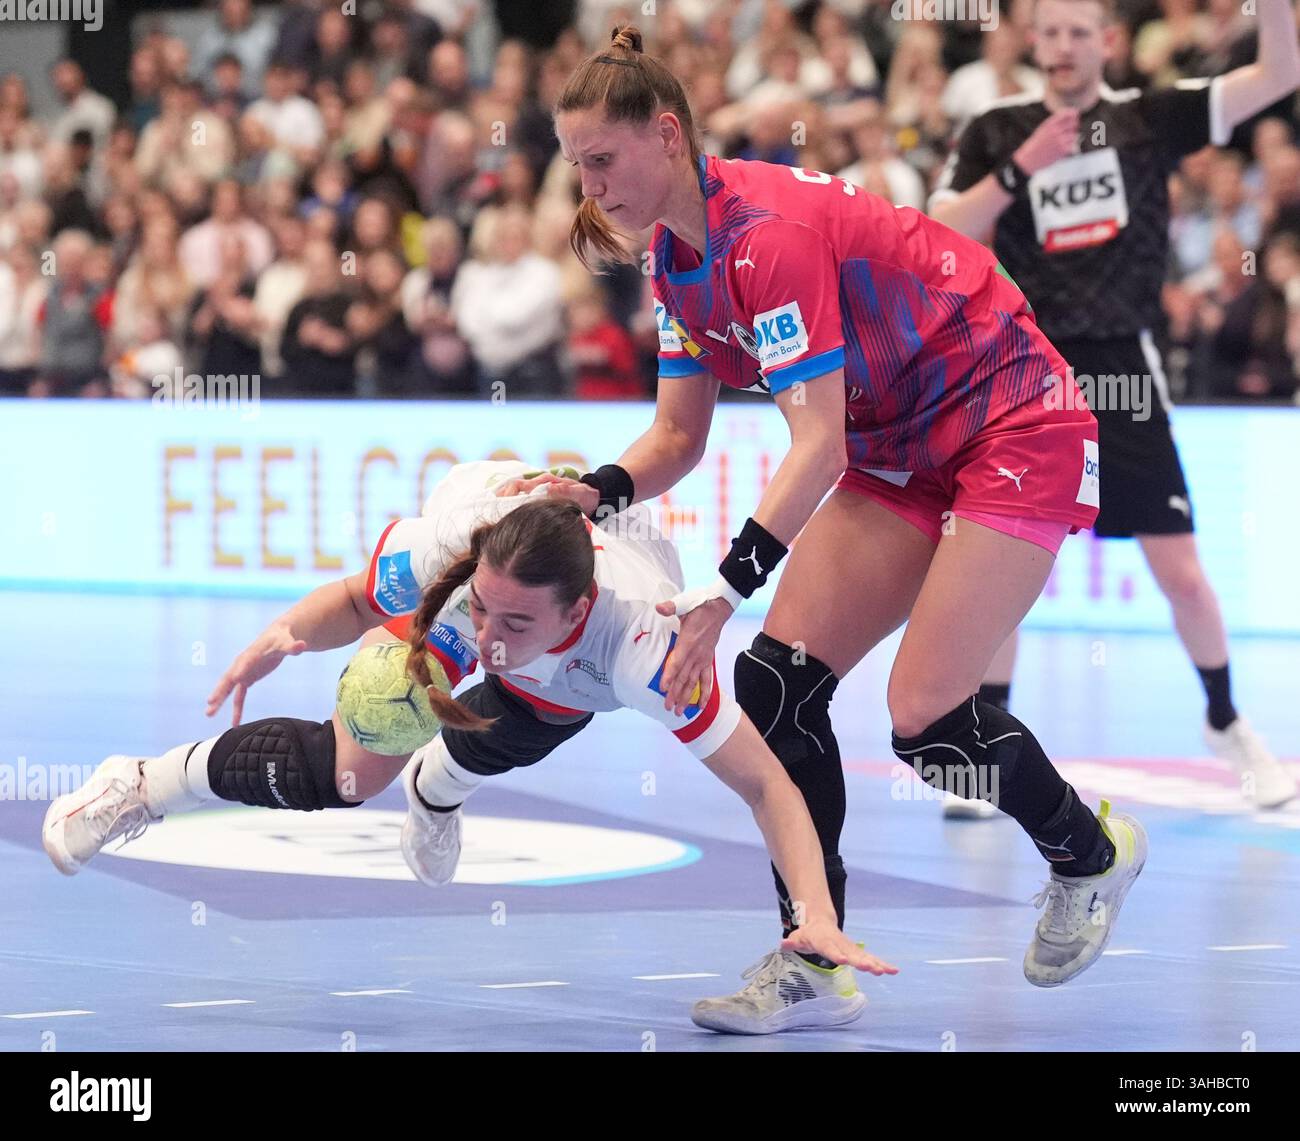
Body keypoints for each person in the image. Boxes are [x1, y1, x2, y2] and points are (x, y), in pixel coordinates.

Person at [544, 24, 1147, 1034]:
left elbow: (815, 445)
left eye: (602, 160)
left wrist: (724, 586)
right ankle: (814, 960)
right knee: (775, 684)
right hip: (899, 437)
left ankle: (1088, 851)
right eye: (575, 167)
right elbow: (677, 434)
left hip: (1012, 413)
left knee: (926, 718)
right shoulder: (670, 259)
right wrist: (596, 490)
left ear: (664, 133)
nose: (591, 186)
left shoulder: (767, 234)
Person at [43, 461, 891, 1028]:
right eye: (485, 611)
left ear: (577, 611)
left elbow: (769, 788)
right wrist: (281, 633)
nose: (490, 634)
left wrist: (814, 916)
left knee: (538, 718)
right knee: (348, 769)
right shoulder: (463, 555)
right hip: (502, 545)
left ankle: (435, 791)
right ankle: (139, 786)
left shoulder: (647, 649)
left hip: (577, 675)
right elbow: (349, 597)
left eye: (517, 621)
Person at [929, 0, 1299, 811]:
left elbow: (1280, 76)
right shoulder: (999, 128)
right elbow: (933, 228)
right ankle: (986, 740)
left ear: (1108, 43)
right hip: (1027, 365)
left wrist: (1273, 11)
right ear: (1033, 42)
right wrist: (1019, 168)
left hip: (1123, 368)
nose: (1063, 47)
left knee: (1183, 572)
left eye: (1078, 33)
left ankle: (1228, 721)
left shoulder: (1146, 120)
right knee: (1004, 563)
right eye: (1049, 33)